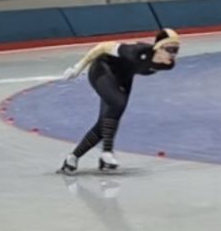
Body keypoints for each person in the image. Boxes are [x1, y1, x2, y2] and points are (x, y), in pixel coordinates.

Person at [58, 29, 181, 173]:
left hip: (124, 78)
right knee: (118, 103)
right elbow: (102, 47)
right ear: (158, 47)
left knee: (105, 122)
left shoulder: (168, 65)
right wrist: (78, 67)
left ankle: (72, 158)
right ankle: (107, 152)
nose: (173, 54)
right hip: (103, 69)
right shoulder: (137, 51)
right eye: (170, 49)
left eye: (176, 50)